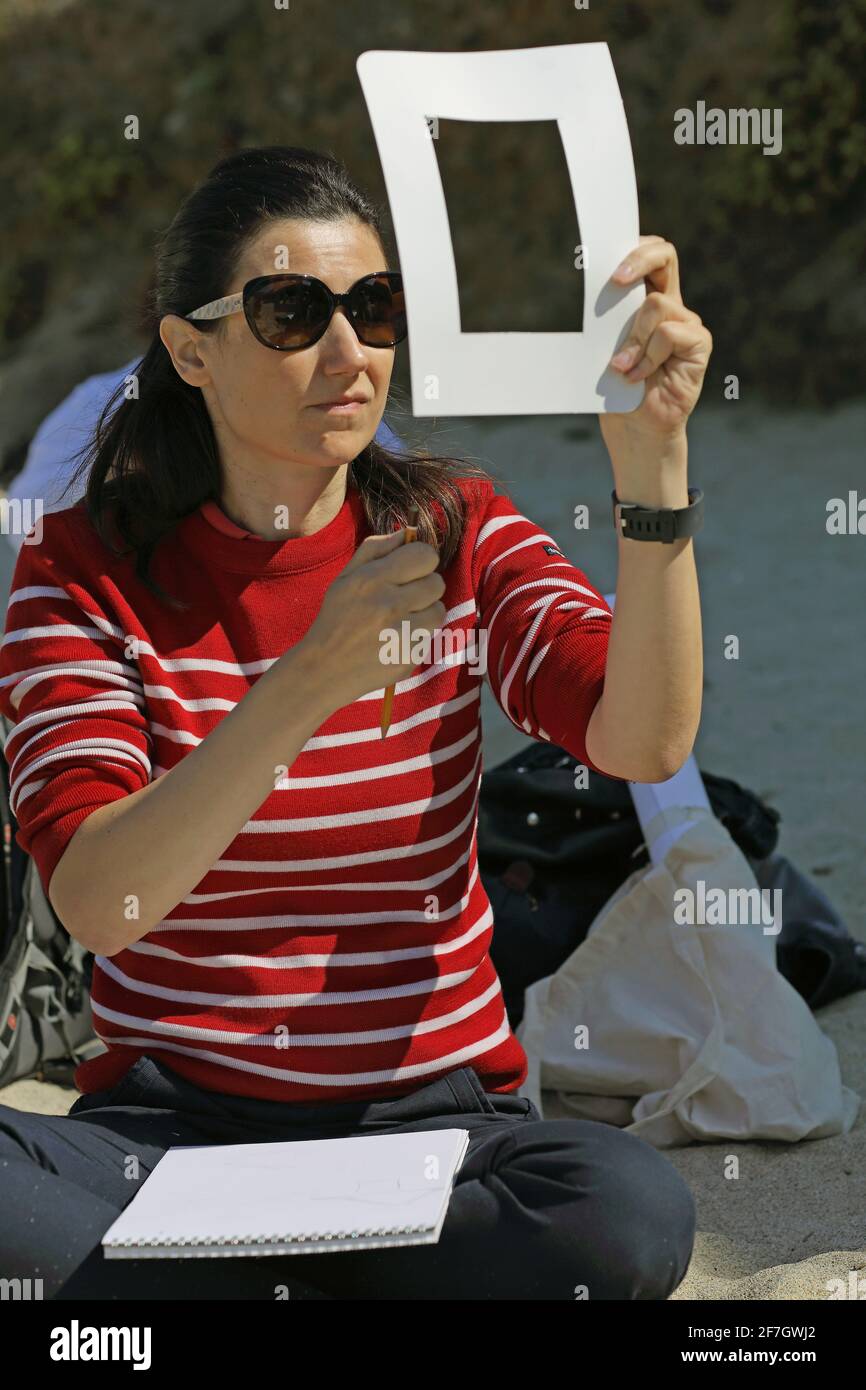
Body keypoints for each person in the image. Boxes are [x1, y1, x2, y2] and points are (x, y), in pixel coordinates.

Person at [0, 144, 710, 1300]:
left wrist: (654, 466)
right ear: (190, 351)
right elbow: (99, 900)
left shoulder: (451, 527)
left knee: (623, 1214)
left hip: (432, 1129)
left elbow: (641, 741)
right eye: (290, 312)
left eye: (372, 308)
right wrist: (304, 681)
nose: (349, 352)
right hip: (170, 1132)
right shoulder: (80, 570)